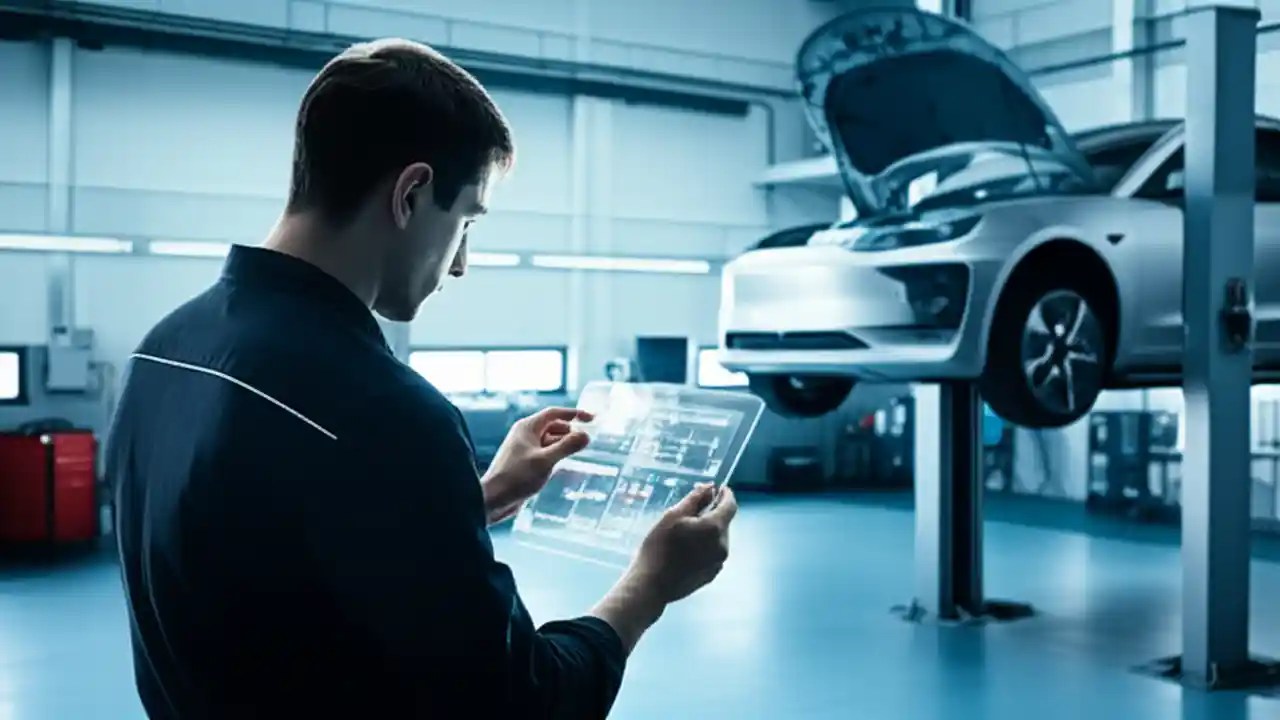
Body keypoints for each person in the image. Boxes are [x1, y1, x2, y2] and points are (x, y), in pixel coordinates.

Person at [105, 38, 737, 719]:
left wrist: (478, 497)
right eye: (465, 221)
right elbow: (523, 703)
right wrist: (652, 581)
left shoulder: (163, 352)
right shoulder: (384, 413)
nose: (460, 263)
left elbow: (280, 558)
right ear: (411, 194)